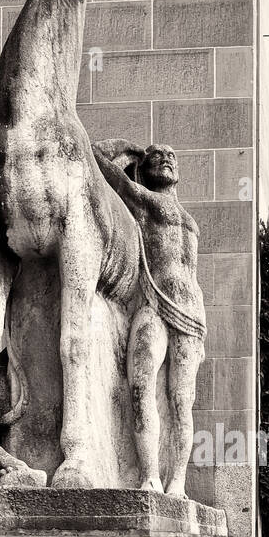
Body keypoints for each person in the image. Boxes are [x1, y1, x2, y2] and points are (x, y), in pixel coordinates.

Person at [93, 140, 206, 495]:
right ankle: (148, 476)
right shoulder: (141, 202)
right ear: (146, 166)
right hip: (154, 305)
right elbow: (102, 163)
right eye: (157, 155)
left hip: (190, 314)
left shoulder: (190, 221)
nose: (166, 158)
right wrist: (126, 148)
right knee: (140, 387)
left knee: (181, 402)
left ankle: (178, 482)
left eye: (172, 156)